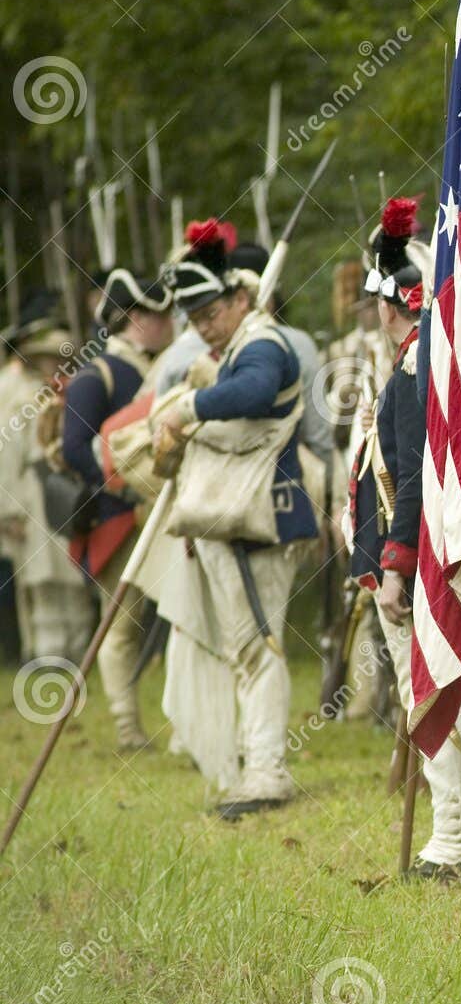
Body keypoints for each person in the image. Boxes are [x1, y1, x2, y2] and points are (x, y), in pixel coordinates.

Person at [158, 223, 319, 820]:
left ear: (240, 300)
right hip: (240, 518)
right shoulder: (241, 344)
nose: (201, 324)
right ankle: (258, 763)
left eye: (210, 311)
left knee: (259, 646)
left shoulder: (263, 346)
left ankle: (267, 770)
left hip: (260, 520)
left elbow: (252, 392)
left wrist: (188, 406)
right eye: (193, 315)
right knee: (248, 646)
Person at [349, 196, 461, 877]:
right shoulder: (413, 362)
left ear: (386, 304)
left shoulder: (411, 369)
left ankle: (453, 833)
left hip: (416, 559)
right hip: (416, 556)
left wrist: (396, 564)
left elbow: (406, 478)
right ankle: (455, 826)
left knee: (431, 688)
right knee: (427, 688)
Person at [59, 270, 174, 749]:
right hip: (119, 514)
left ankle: (181, 725)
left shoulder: (165, 368)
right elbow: (74, 448)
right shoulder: (99, 374)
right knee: (120, 623)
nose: (169, 323)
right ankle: (128, 727)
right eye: (158, 314)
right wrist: (121, 489)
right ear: (133, 318)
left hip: (164, 513)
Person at [0, 296, 97, 663]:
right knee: (42, 583)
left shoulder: (70, 394)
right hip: (34, 497)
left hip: (68, 492)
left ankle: (78, 650)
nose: (55, 364)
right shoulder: (21, 397)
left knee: (73, 576)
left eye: (60, 357)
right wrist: (10, 511)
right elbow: (9, 458)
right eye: (48, 358)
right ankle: (48, 654)